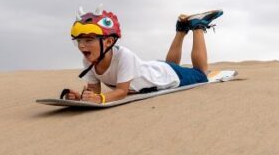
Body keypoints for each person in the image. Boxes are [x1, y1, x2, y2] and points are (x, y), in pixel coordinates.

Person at [63, 7, 222, 104]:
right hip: (157, 70)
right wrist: (83, 97)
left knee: (201, 74)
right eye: (79, 41)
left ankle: (197, 26)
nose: (82, 45)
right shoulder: (88, 61)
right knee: (170, 66)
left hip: (167, 77)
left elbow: (121, 92)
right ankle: (181, 29)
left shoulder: (123, 55)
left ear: (108, 41)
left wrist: (99, 99)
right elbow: (95, 94)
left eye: (88, 40)